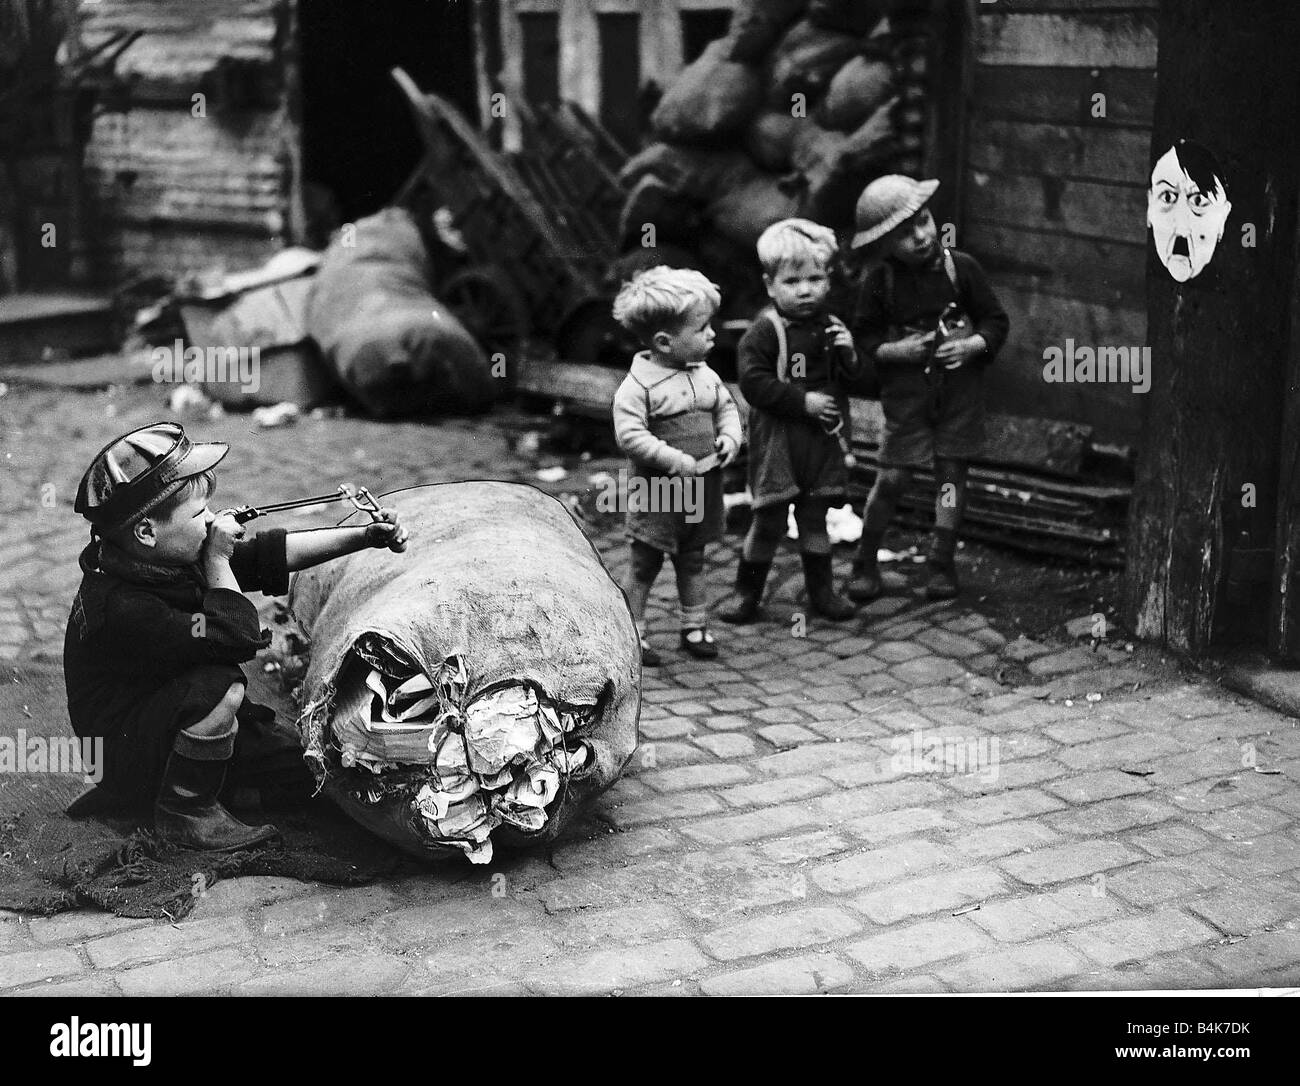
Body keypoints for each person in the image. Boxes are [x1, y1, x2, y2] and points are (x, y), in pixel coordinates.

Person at [63, 421, 409, 851]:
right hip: (124, 749)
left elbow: (269, 555)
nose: (212, 522)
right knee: (220, 686)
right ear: (147, 531)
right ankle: (184, 812)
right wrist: (219, 561)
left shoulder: (159, 556)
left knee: (309, 769)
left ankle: (223, 789)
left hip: (161, 714)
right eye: (199, 514)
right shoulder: (122, 607)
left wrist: (364, 536)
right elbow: (235, 636)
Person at [846, 174, 1009, 601]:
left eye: (923, 222)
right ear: (883, 242)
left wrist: (972, 346)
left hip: (958, 391)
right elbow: (864, 339)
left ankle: (941, 561)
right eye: (904, 233)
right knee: (894, 477)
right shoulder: (879, 280)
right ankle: (865, 559)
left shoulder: (962, 268)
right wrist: (897, 351)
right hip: (907, 395)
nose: (920, 237)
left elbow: (996, 321)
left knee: (952, 474)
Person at [721, 218, 862, 625]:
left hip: (820, 442)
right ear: (770, 284)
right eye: (792, 281)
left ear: (829, 281)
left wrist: (850, 356)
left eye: (815, 278)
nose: (804, 290)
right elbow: (754, 384)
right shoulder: (765, 332)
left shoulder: (832, 329)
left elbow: (856, 382)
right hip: (778, 442)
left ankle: (822, 592)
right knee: (768, 519)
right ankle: (747, 593)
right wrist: (803, 402)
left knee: (815, 516)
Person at [611, 266, 742, 664]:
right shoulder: (639, 387)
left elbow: (728, 409)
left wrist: (730, 439)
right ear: (665, 342)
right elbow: (630, 436)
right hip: (659, 491)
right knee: (645, 561)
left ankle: (694, 625)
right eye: (702, 328)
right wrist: (672, 459)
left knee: (693, 557)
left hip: (700, 488)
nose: (712, 335)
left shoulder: (706, 376)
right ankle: (634, 632)